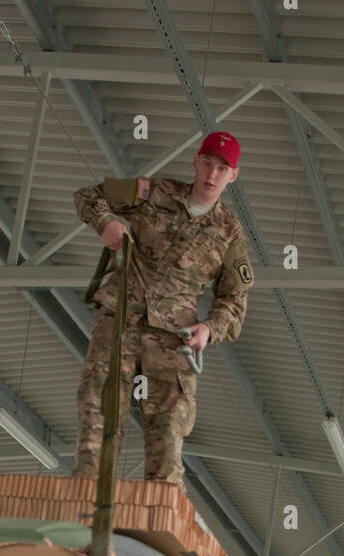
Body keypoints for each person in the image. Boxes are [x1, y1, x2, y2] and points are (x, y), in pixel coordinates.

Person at [73, 132, 253, 484]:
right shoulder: (153, 192)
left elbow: (233, 300)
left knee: (169, 427)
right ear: (195, 162)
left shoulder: (229, 233)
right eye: (207, 164)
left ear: (233, 175)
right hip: (121, 316)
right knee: (99, 406)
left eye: (222, 168)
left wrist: (209, 329)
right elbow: (88, 195)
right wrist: (106, 222)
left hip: (174, 335)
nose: (212, 174)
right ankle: (87, 496)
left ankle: (158, 514)